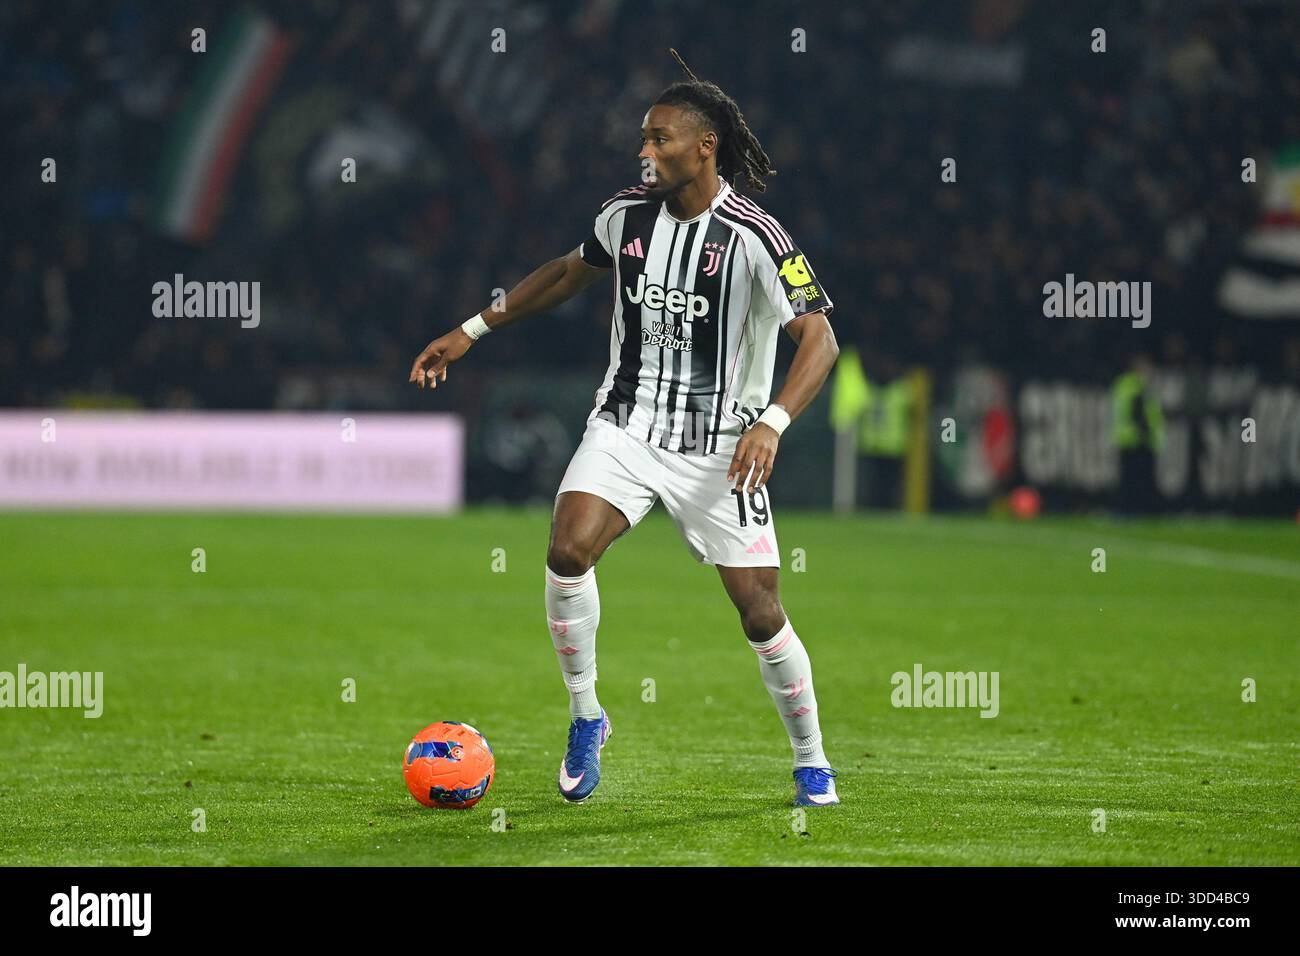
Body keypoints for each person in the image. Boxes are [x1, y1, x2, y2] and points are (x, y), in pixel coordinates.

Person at [409, 50, 842, 807]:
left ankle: (811, 757)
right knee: (566, 548)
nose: (645, 151)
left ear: (704, 147)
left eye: (660, 139)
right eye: (643, 138)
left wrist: (771, 421)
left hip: (721, 445)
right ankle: (586, 716)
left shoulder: (757, 237)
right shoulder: (626, 214)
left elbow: (821, 340)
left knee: (760, 610)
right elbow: (569, 272)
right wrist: (472, 328)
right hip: (628, 424)